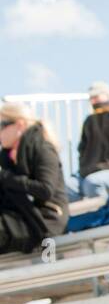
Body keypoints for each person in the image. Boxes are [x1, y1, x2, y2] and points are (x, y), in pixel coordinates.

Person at [0, 101, 69, 252]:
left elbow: (45, 189)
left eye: (1, 126)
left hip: (43, 220)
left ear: (19, 124)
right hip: (18, 215)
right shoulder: (7, 157)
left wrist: (6, 177)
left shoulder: (43, 148)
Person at [67, 81, 109, 200]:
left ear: (107, 95)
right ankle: (86, 213)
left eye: (97, 95)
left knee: (92, 183)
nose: (93, 99)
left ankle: (105, 211)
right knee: (67, 187)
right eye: (91, 97)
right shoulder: (89, 120)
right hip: (88, 172)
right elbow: (82, 148)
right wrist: (84, 167)